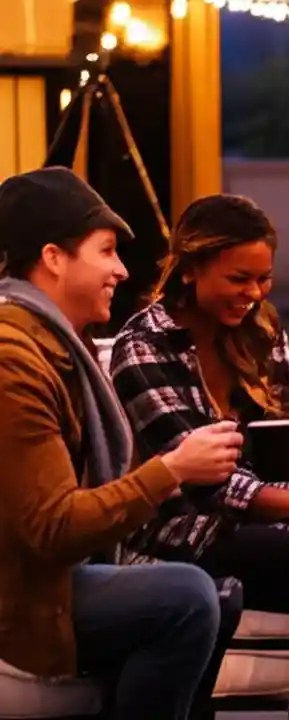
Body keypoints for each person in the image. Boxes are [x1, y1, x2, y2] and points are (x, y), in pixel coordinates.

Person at [110, 194, 289, 719]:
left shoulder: (261, 328)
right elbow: (205, 482)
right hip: (180, 529)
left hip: (244, 507)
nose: (255, 294)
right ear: (191, 270)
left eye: (264, 279)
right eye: (239, 279)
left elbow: (279, 448)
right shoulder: (142, 347)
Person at [0, 167, 242, 719]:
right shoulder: (14, 360)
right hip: (22, 602)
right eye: (106, 251)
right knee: (188, 598)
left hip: (49, 578)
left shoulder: (58, 344)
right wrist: (173, 469)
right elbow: (54, 528)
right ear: (53, 257)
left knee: (221, 592)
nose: (122, 269)